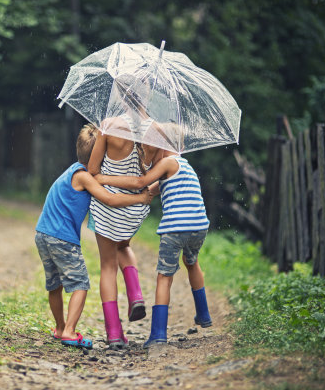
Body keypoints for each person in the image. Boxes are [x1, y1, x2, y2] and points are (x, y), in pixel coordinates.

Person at [35, 124, 153, 350]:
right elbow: (109, 200)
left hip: (42, 234)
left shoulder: (71, 171)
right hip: (62, 238)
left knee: (55, 285)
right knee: (80, 284)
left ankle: (60, 328)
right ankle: (69, 331)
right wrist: (139, 199)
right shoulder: (85, 177)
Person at [94, 146, 212, 348]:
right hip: (199, 227)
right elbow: (149, 189)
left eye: (154, 150)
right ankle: (204, 314)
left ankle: (158, 334)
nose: (151, 157)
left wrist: (104, 179)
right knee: (192, 263)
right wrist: (135, 195)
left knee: (164, 277)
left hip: (176, 229)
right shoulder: (185, 167)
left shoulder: (167, 162)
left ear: (165, 148)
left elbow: (141, 182)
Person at [87, 120, 163, 350]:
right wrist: (145, 191)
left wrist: (105, 178)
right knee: (124, 247)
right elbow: (159, 178)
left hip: (106, 205)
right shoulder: (155, 131)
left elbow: (92, 170)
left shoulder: (109, 126)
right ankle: (136, 294)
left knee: (108, 266)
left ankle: (113, 334)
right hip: (133, 208)